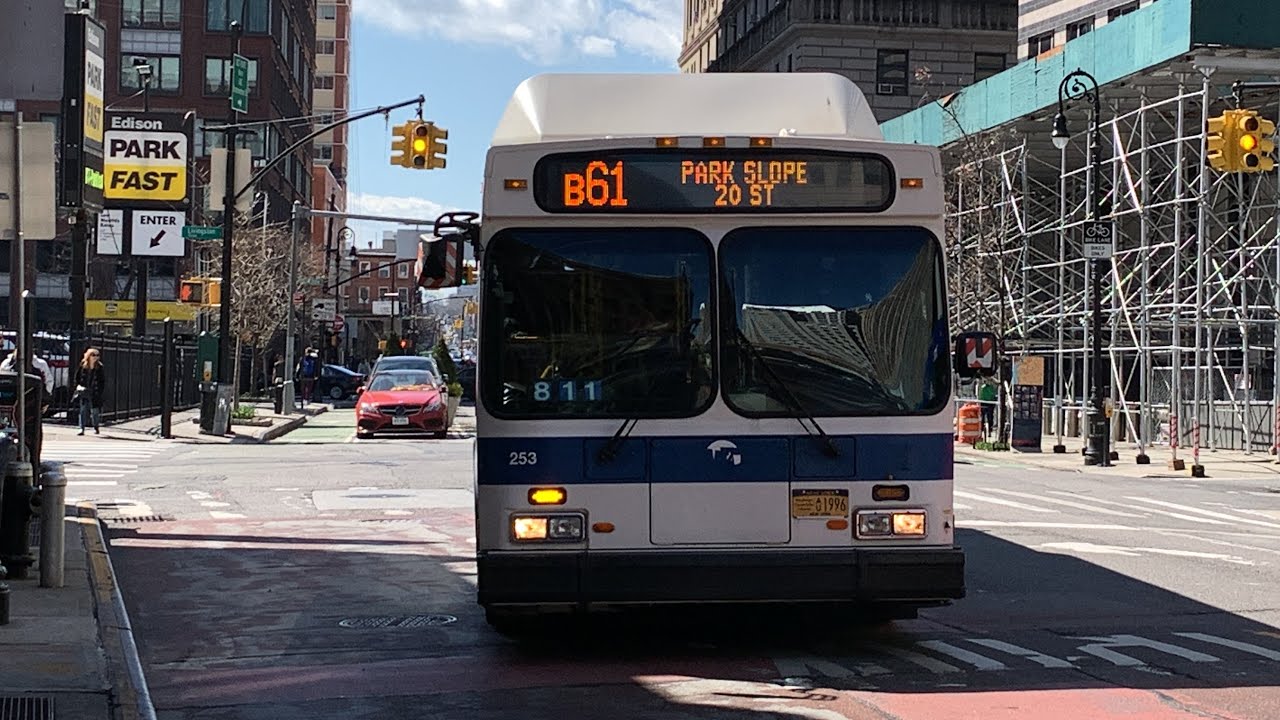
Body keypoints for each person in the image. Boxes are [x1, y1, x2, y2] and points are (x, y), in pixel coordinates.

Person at [73, 347, 106, 436]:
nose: (95, 357)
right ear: (89, 356)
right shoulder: (83, 365)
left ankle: (96, 426)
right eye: (93, 355)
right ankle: (81, 428)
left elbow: (102, 381)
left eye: (97, 355)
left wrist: (99, 392)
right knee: (83, 410)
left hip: (94, 392)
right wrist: (78, 386)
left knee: (94, 411)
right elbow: (77, 377)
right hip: (84, 391)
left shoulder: (99, 367)